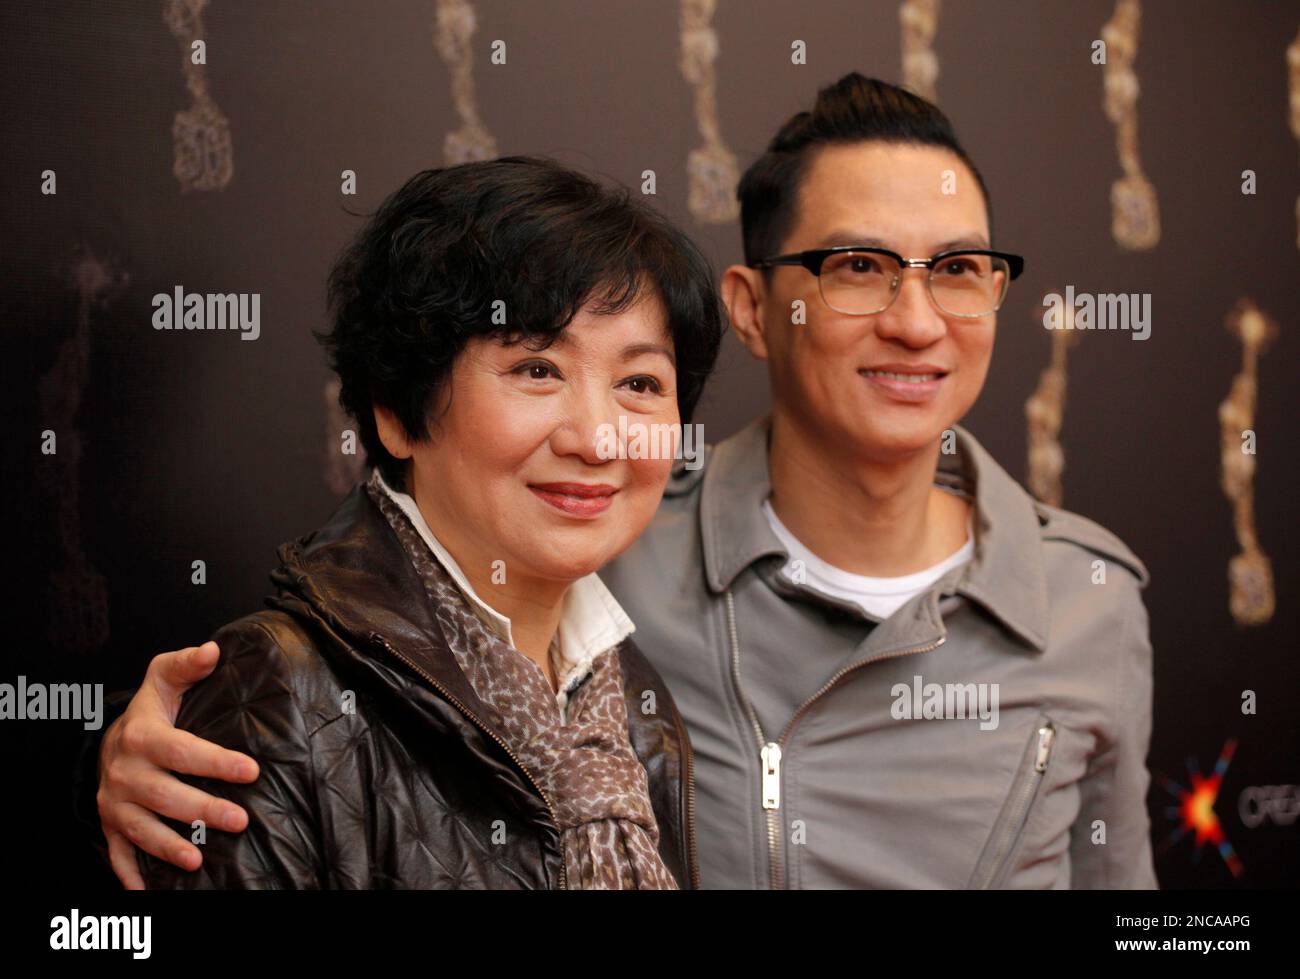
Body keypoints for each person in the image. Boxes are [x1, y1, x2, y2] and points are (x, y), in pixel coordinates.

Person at [83, 74, 1156, 889]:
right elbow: (371, 644)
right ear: (749, 306)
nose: (916, 319)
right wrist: (193, 742)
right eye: (856, 268)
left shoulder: (1090, 602)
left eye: (959, 270)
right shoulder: (624, 554)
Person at [88, 155, 724, 888]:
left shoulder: (632, 703)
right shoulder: (278, 696)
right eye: (536, 369)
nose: (598, 436)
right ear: (397, 410)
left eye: (640, 383)